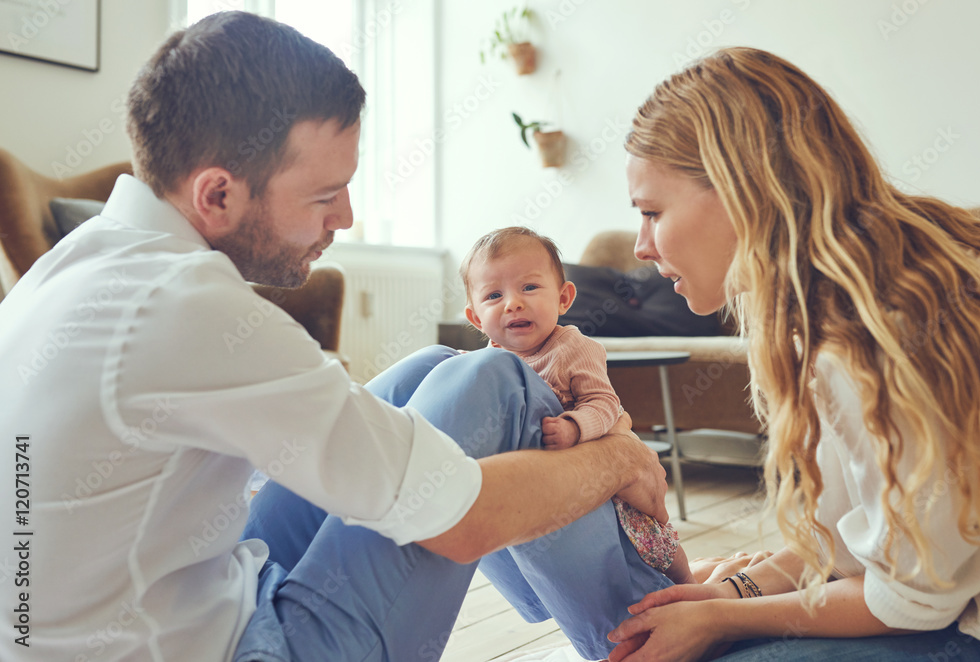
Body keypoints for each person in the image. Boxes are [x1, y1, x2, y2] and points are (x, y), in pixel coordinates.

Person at [0, 12, 671, 662]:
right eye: (326, 195)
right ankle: (648, 634)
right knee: (492, 379)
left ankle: (632, 620)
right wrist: (624, 457)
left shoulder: (80, 262)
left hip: (200, 597)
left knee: (434, 366)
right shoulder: (182, 306)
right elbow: (467, 523)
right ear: (217, 196)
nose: (345, 218)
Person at [606, 46, 980, 661]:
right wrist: (734, 590)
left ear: (743, 188)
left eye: (653, 212)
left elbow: (916, 599)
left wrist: (721, 622)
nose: (641, 247)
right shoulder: (831, 303)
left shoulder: (863, 336)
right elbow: (852, 539)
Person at [460, 226, 694, 586]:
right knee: (595, 564)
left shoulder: (573, 347)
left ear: (564, 298)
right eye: (493, 295)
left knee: (654, 540)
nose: (513, 303)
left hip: (602, 477)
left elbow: (604, 403)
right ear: (476, 318)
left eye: (529, 287)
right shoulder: (485, 364)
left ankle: (688, 583)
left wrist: (574, 426)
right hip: (544, 487)